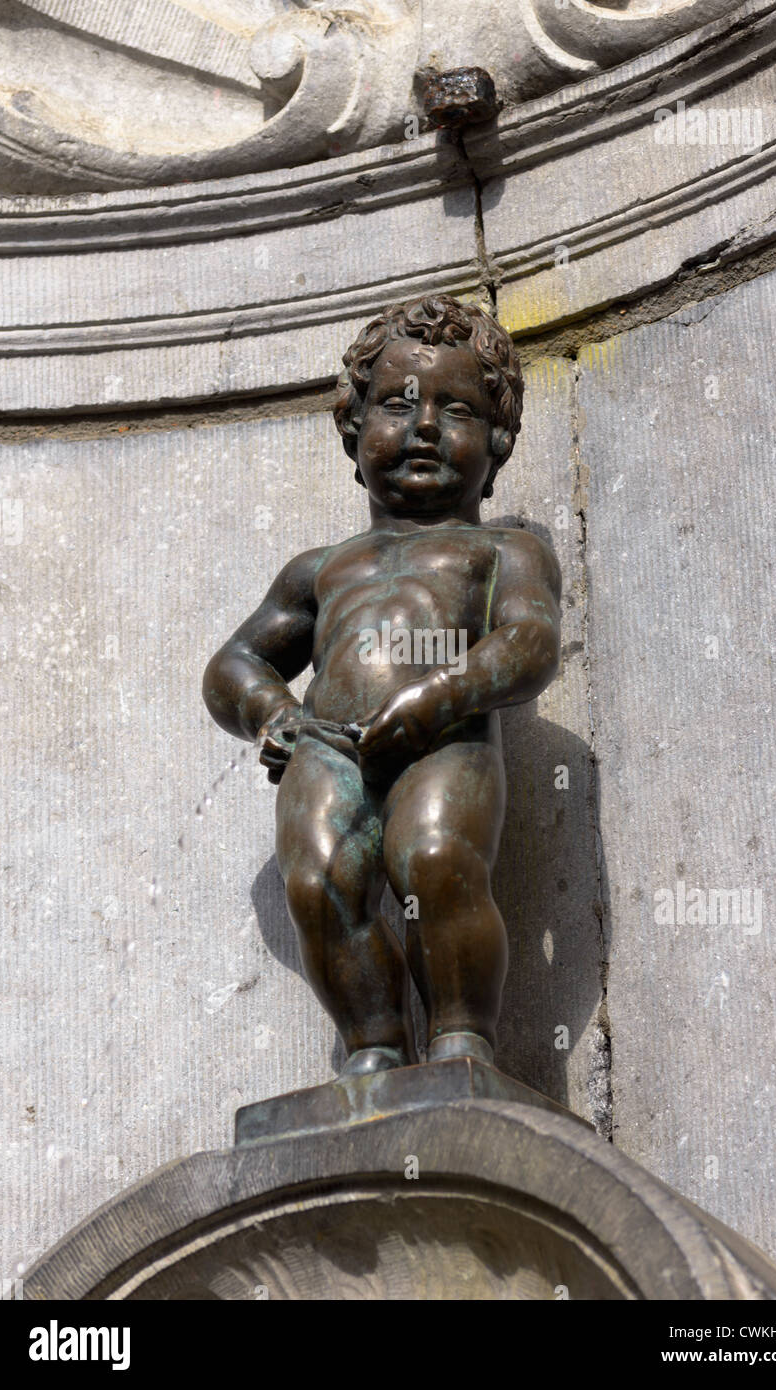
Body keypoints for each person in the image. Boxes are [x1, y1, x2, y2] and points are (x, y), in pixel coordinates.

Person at [203, 295, 561, 1076]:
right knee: (320, 877)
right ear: (352, 429)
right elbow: (234, 664)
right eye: (396, 404)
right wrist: (278, 718)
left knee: (434, 858)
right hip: (328, 747)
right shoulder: (321, 568)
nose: (423, 425)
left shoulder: (502, 552)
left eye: (456, 409)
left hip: (446, 738)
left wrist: (437, 699)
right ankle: (372, 1045)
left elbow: (530, 643)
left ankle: (463, 1041)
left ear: (497, 442)